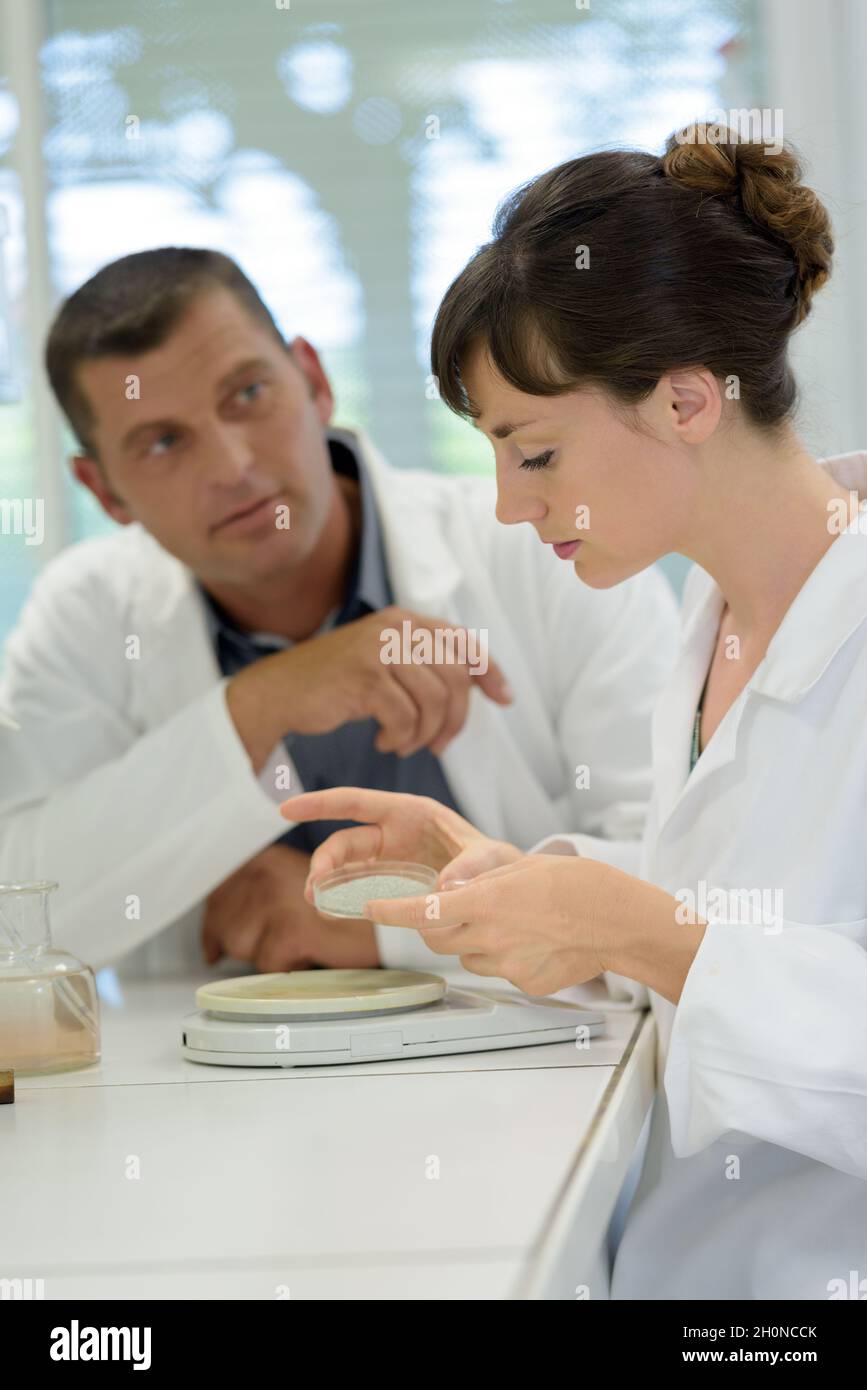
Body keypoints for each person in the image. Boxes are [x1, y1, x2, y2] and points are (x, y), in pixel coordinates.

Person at [282, 124, 867, 1300]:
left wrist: (636, 930)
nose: (507, 505)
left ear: (690, 400)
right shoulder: (720, 618)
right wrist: (510, 873)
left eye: (535, 452)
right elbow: (757, 914)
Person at [0, 248, 678, 977]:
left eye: (247, 395)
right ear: (102, 491)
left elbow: (677, 881)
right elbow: (20, 925)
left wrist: (375, 933)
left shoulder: (543, 546)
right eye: (164, 442)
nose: (231, 466)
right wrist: (256, 706)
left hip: (551, 1076)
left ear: (314, 381)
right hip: (211, 1088)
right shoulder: (85, 616)